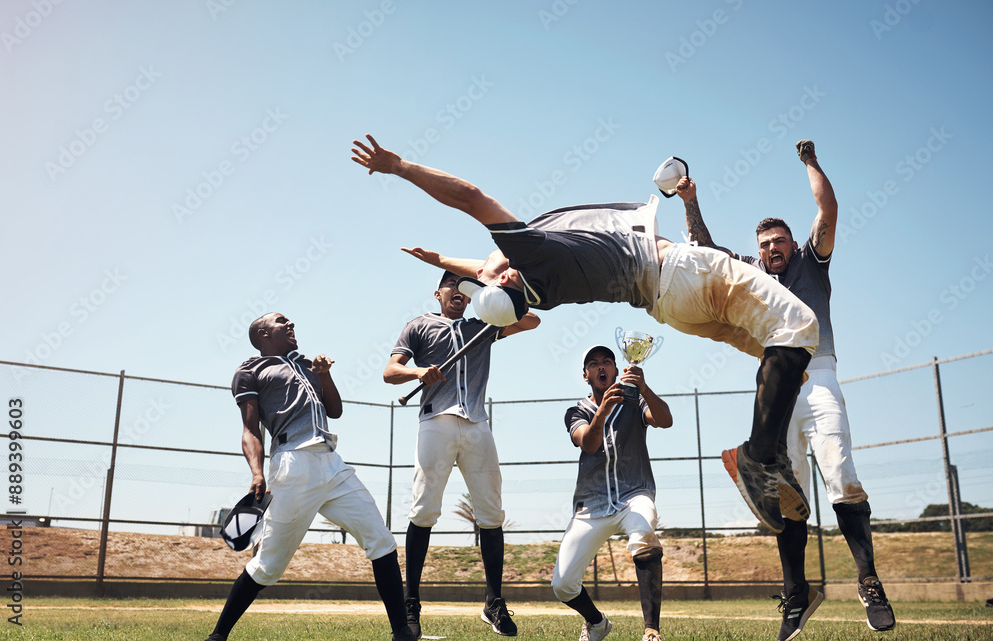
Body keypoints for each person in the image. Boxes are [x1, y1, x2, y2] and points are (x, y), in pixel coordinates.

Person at [351, 134, 817, 538]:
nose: (481, 266)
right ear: (508, 277)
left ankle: (770, 453)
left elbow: (482, 271)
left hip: (669, 307)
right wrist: (399, 166)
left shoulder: (533, 289)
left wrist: (439, 262)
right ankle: (757, 457)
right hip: (681, 273)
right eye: (488, 275)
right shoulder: (526, 253)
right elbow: (470, 197)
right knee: (801, 327)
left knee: (786, 361)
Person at [677, 140, 895, 638]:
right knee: (785, 494)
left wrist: (810, 163)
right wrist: (690, 201)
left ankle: (868, 580)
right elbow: (707, 254)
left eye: (779, 241)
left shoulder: (811, 264)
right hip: (775, 388)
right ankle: (796, 594)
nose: (772, 249)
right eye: (765, 244)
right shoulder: (754, 276)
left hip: (817, 376)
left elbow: (828, 209)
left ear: (793, 244)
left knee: (840, 473)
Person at [205, 312, 415, 641]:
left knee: (381, 541)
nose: (290, 325)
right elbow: (250, 429)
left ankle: (402, 632)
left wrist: (324, 375)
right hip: (293, 465)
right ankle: (218, 636)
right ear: (263, 333)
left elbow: (335, 411)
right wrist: (257, 472)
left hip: (332, 463)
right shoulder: (250, 371)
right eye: (281, 322)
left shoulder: (306, 363)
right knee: (268, 567)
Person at [383, 269, 539, 637]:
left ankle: (493, 603)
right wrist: (419, 372)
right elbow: (390, 372)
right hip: (435, 420)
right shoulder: (417, 326)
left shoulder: (483, 326)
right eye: (451, 283)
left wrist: (496, 297)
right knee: (423, 512)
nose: (458, 289)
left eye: (464, 286)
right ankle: (411, 605)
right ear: (437, 292)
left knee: (491, 513)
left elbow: (531, 319)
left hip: (477, 423)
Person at [552, 345, 673, 641]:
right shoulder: (577, 411)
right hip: (591, 505)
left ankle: (651, 631)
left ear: (617, 370)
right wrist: (603, 409)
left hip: (634, 494)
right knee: (562, 584)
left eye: (607, 361)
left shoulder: (635, 400)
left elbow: (665, 420)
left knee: (644, 533)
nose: (601, 366)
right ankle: (597, 622)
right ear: (586, 375)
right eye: (593, 364)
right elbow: (589, 444)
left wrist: (644, 387)